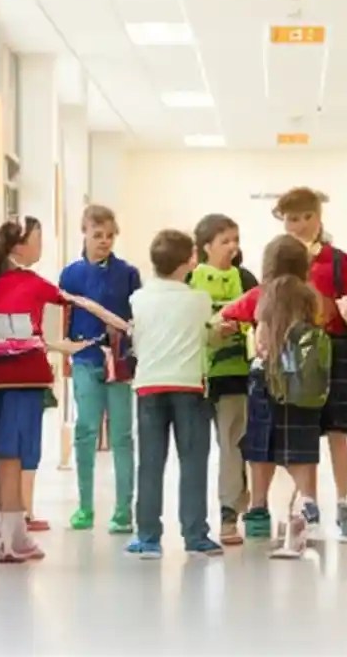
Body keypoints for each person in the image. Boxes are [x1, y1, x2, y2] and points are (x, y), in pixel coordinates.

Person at [0, 216, 128, 561]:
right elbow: (78, 303)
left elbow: (16, 331)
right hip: (24, 377)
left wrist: (61, 347)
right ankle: (14, 537)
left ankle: (0, 524)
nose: (41, 244)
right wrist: (122, 325)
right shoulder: (30, 283)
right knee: (18, 453)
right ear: (20, 245)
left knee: (6, 452)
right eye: (37, 237)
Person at [217, 236, 347, 555]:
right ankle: (308, 507)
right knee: (301, 447)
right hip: (303, 385)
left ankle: (258, 512)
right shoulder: (313, 297)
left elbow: (225, 315)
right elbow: (324, 322)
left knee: (261, 446)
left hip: (265, 382)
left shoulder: (259, 295)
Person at [274, 187, 347, 542]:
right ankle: (309, 502)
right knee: (301, 430)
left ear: (319, 217)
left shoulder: (339, 260)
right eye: (292, 218)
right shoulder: (280, 259)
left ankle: (344, 503)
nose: (300, 225)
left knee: (337, 430)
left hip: (335, 348)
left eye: (306, 217)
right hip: (295, 352)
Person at [124, 229, 224, 558]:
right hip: (188, 387)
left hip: (149, 386)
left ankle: (149, 536)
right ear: (190, 261)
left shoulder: (138, 299)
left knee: (150, 464)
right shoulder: (199, 300)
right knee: (193, 462)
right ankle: (195, 535)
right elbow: (208, 337)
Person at [59, 204, 141, 533]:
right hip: (85, 359)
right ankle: (84, 506)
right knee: (85, 432)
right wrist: (66, 355)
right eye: (97, 235)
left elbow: (137, 317)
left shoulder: (129, 273)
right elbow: (63, 319)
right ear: (85, 232)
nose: (104, 241)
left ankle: (123, 510)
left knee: (122, 435)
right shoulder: (71, 274)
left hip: (119, 364)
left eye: (109, 236)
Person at [188, 214, 251, 546]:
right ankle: (194, 521)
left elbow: (259, 318)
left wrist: (238, 328)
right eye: (225, 241)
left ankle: (230, 514)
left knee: (232, 446)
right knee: (196, 450)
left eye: (235, 240)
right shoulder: (189, 281)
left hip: (235, 376)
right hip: (195, 378)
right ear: (206, 246)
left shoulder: (246, 278)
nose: (232, 247)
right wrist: (210, 331)